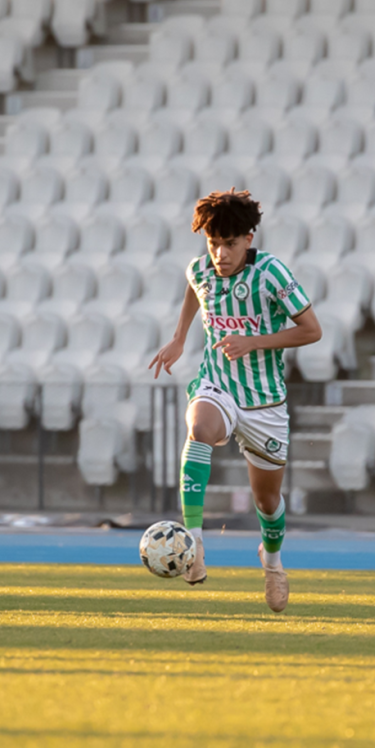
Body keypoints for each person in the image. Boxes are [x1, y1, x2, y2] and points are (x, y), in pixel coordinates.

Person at [149, 189, 322, 612]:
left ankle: (273, 563)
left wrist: (253, 342)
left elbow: (311, 330)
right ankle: (195, 544)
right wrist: (178, 339)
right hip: (218, 386)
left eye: (229, 244)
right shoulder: (202, 269)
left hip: (264, 402)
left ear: (247, 238)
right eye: (213, 244)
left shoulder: (272, 273)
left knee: (267, 501)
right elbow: (194, 286)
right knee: (199, 428)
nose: (220, 254)